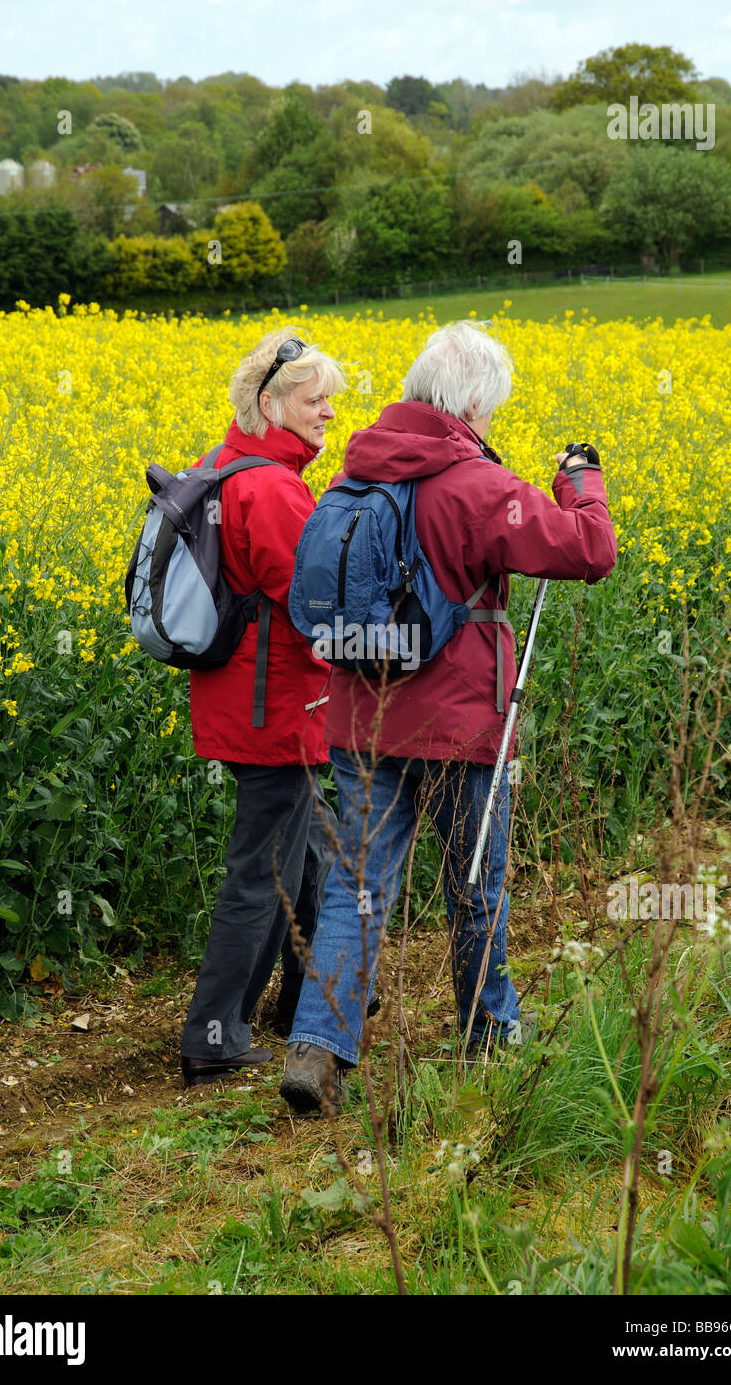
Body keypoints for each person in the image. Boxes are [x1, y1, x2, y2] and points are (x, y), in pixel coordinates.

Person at [279, 321, 617, 1115]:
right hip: (460, 731)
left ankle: (316, 1048)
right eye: (490, 411)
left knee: (359, 887)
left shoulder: (351, 477)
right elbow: (590, 552)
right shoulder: (475, 486)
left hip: (362, 720)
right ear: (469, 403)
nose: (490, 425)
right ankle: (487, 1031)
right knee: (476, 886)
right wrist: (581, 481)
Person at [181, 329, 345, 1087]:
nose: (327, 416)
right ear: (270, 402)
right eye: (315, 403)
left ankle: (307, 1002)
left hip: (251, 694)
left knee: (310, 848)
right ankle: (213, 1033)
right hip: (272, 705)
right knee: (261, 871)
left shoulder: (224, 465)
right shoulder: (272, 487)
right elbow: (308, 602)